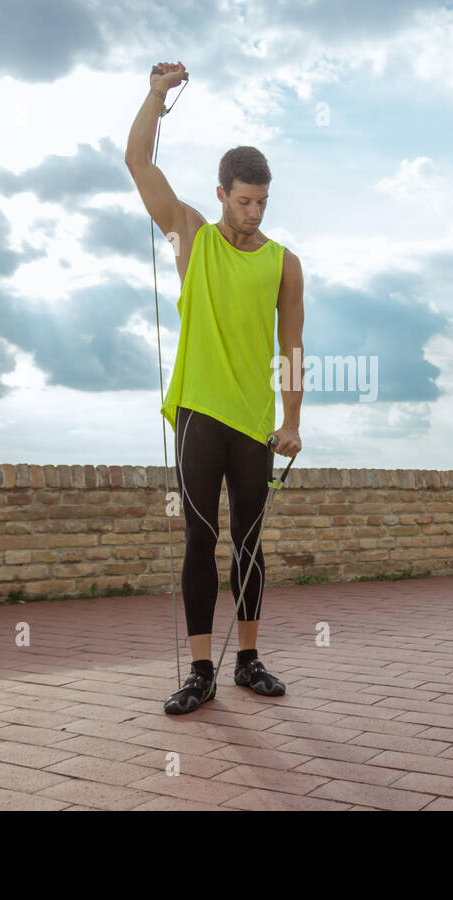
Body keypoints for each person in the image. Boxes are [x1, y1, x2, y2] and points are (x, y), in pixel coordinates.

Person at [124, 61, 305, 715]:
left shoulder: (285, 264)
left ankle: (249, 660)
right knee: (200, 540)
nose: (253, 212)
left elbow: (291, 347)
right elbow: (138, 163)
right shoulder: (192, 239)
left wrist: (291, 420)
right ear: (223, 193)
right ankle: (200, 670)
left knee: (249, 542)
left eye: (261, 202)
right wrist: (154, 98)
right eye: (243, 200)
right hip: (199, 412)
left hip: (255, 421)